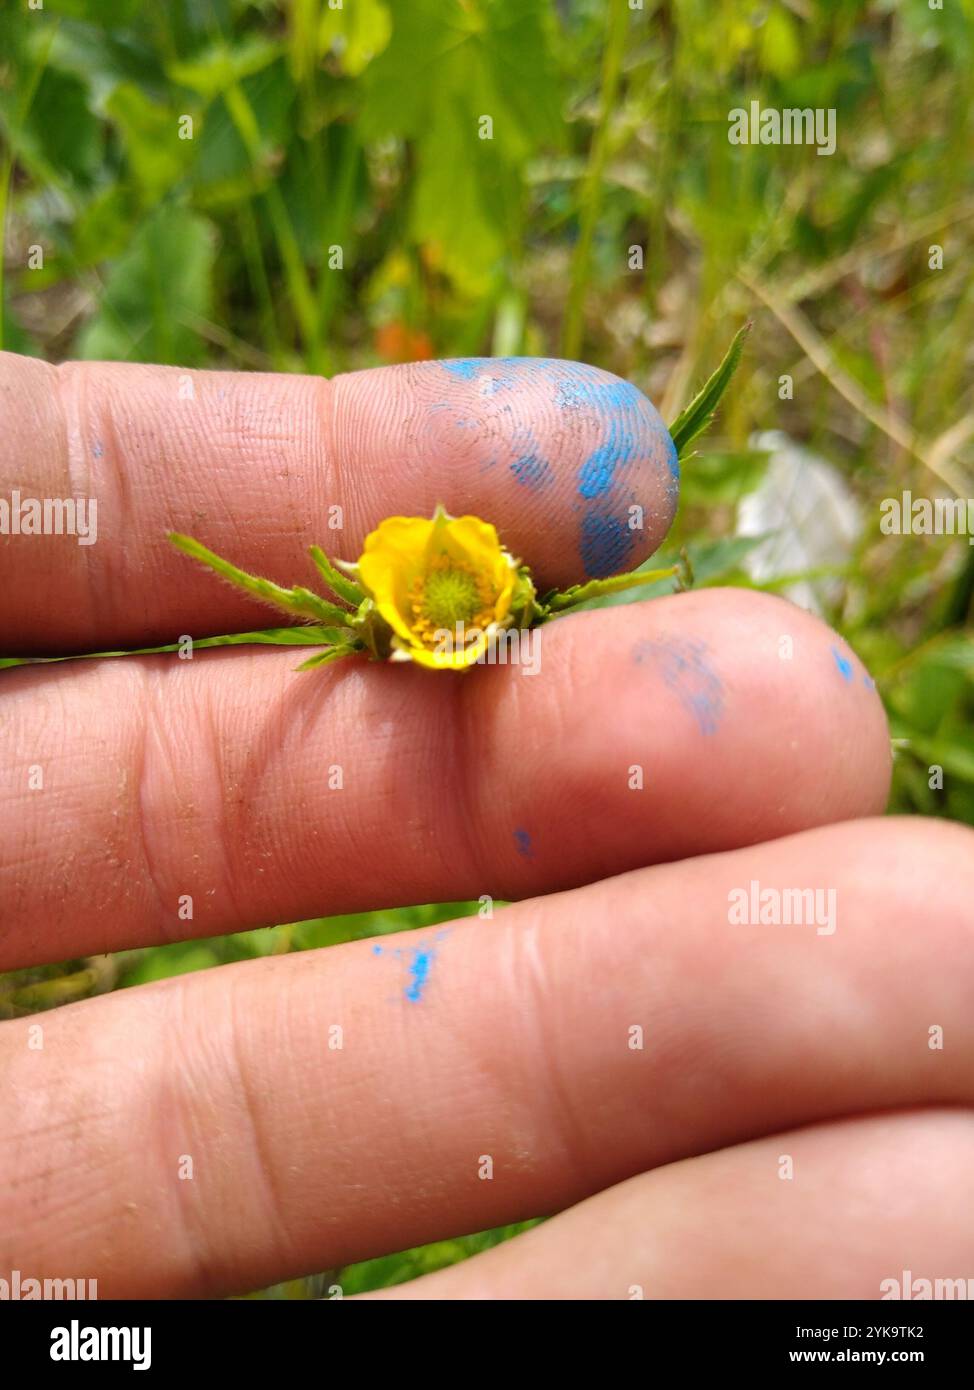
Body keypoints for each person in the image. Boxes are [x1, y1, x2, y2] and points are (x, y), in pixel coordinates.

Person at [1, 350, 971, 1300]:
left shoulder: (484, 603)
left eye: (462, 600)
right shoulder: (394, 595)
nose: (451, 610)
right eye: (435, 604)